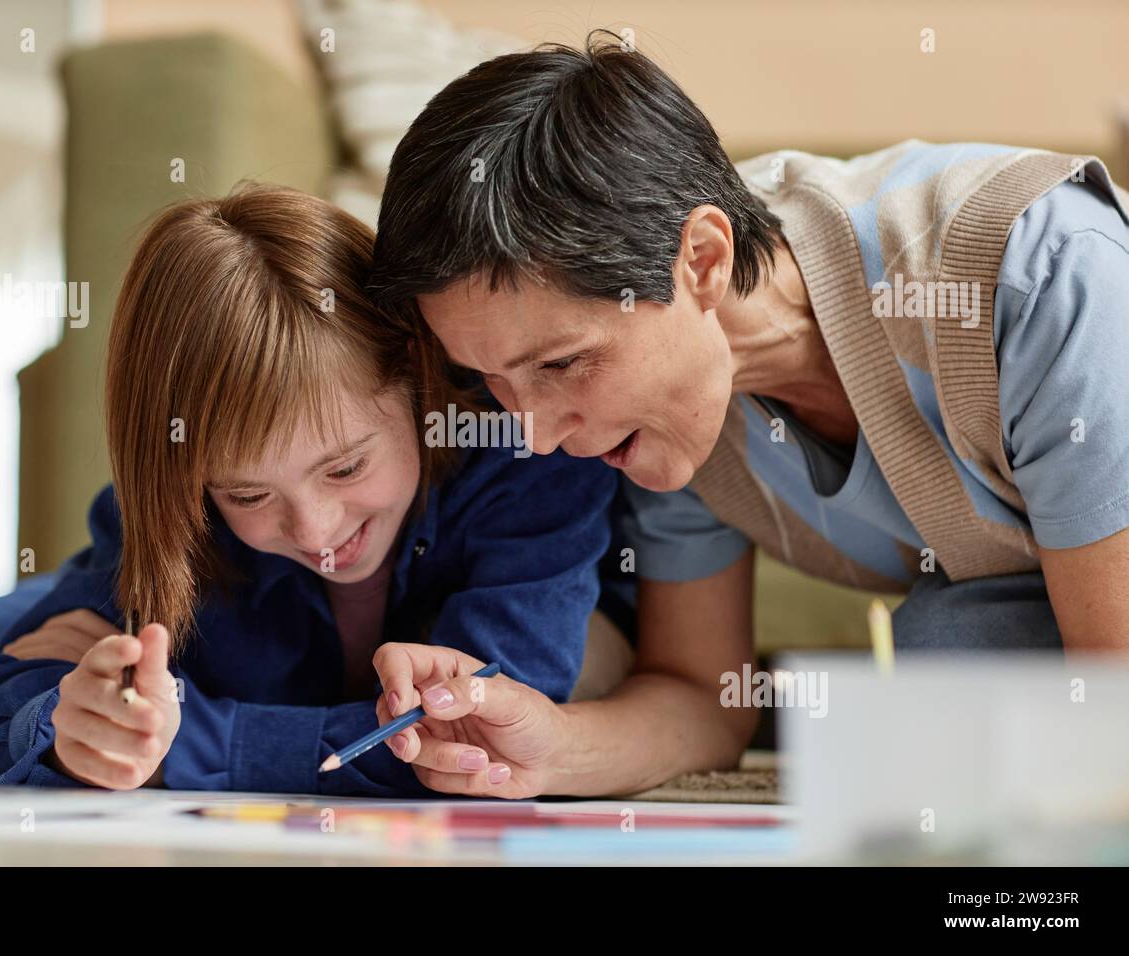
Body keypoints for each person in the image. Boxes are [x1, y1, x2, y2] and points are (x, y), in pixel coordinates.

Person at [360, 32, 1129, 798]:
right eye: (490, 377)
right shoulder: (674, 412)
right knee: (956, 650)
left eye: (560, 364)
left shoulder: (1038, 272)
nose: (535, 432)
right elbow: (700, 694)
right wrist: (542, 748)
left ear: (702, 260)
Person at [0, 184, 617, 795]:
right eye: (247, 495)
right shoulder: (168, 511)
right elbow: (6, 707)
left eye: (344, 468)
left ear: (417, 378)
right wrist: (75, 730)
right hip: (108, 597)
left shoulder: (524, 451)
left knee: (595, 664)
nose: (315, 529)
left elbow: (473, 743)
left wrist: (188, 747)